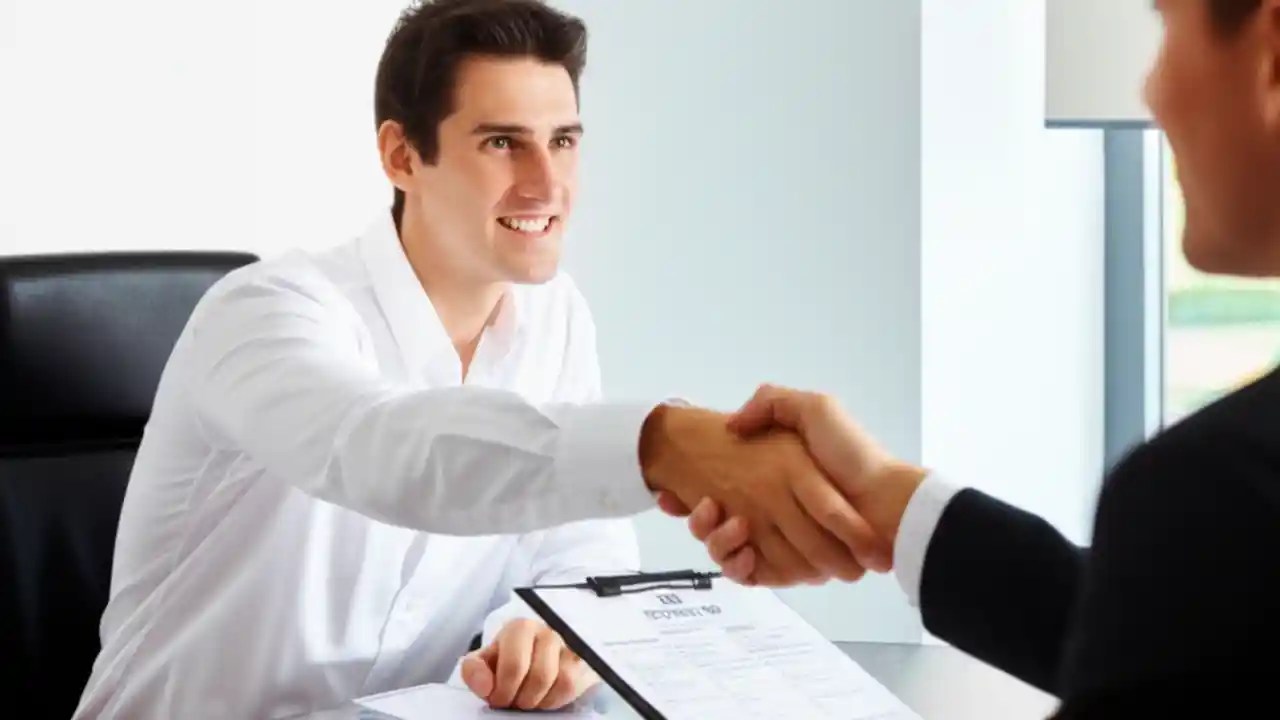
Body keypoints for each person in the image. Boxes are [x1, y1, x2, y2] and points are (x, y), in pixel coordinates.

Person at [72, 1, 887, 717]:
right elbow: (385, 450)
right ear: (400, 156)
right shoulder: (267, 312)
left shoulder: (555, 318)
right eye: (503, 143)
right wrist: (664, 444)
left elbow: (578, 555)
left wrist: (533, 634)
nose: (547, 183)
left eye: (563, 141)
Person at [665, 0, 1280, 714]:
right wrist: (889, 498)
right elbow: (1197, 635)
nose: (1151, 92)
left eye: (1167, 29)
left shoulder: (1219, 487)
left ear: (1272, 52)